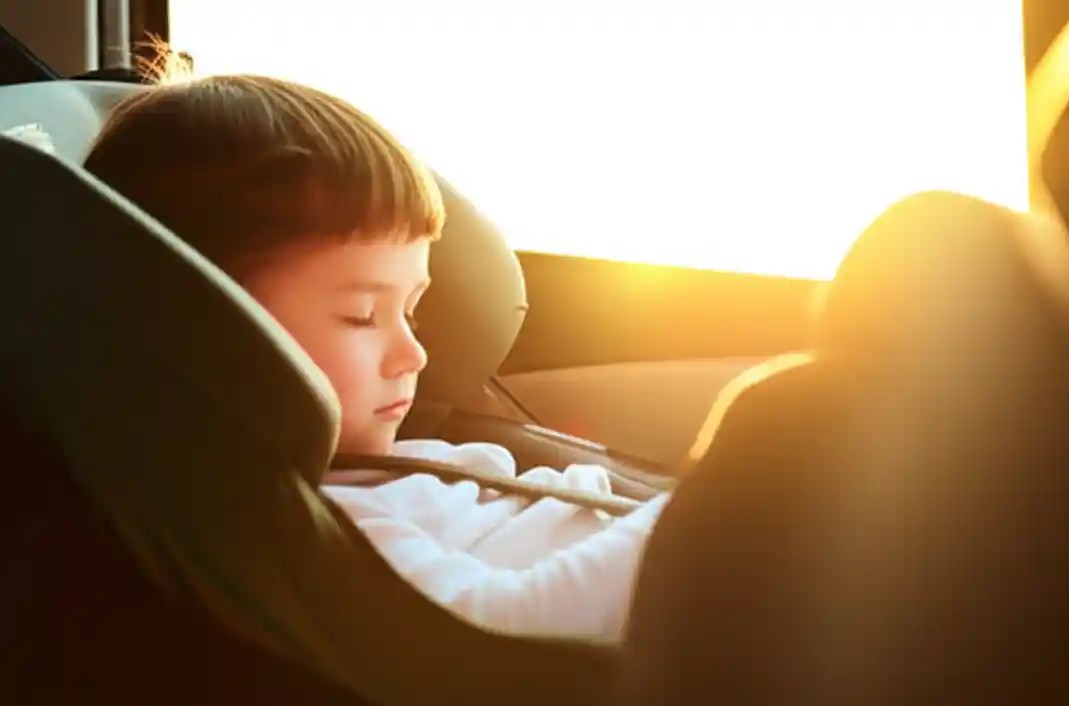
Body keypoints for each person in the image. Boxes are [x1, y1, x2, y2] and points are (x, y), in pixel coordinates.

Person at [84, 73, 668, 644]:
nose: (413, 354)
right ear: (205, 335)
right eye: (363, 316)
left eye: (412, 310)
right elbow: (503, 633)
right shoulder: (330, 524)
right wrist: (700, 517)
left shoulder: (398, 463)